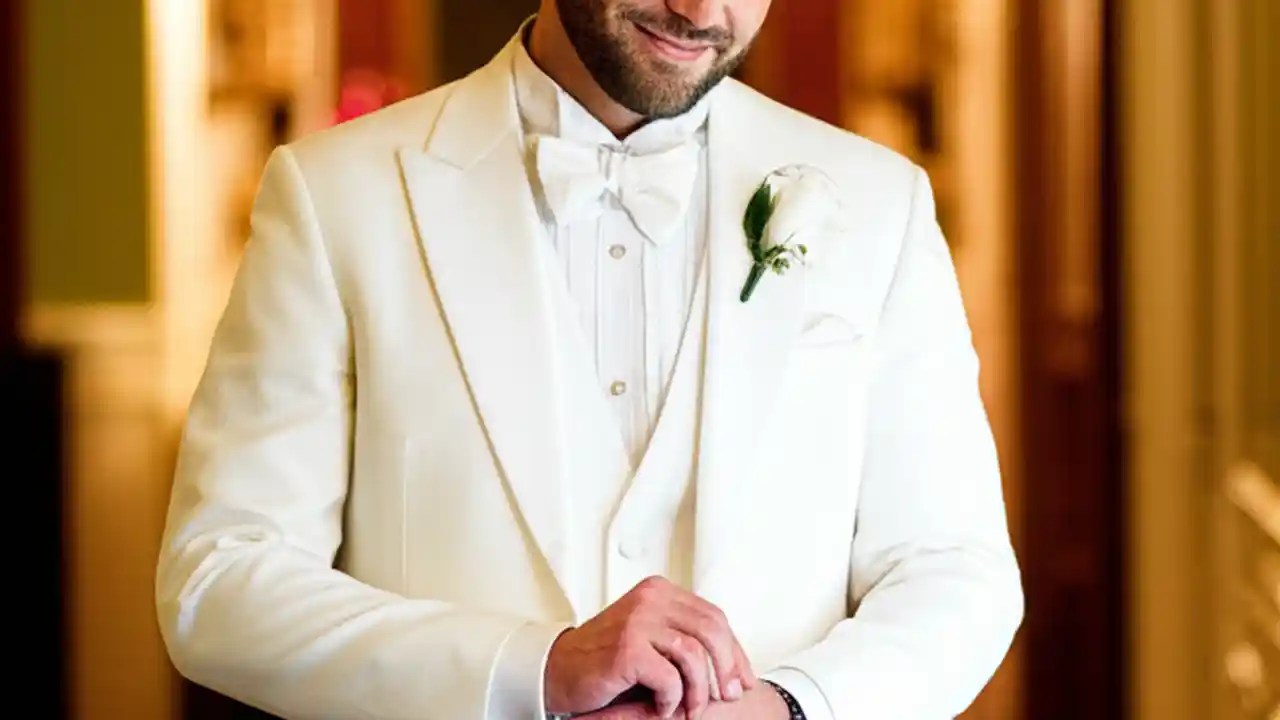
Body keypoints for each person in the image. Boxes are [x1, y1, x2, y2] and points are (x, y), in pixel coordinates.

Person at [155, 1, 1024, 718]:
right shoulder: (337, 194)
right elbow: (220, 579)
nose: (698, 11)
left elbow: (958, 570)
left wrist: (794, 706)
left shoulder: (877, 204)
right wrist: (533, 669)